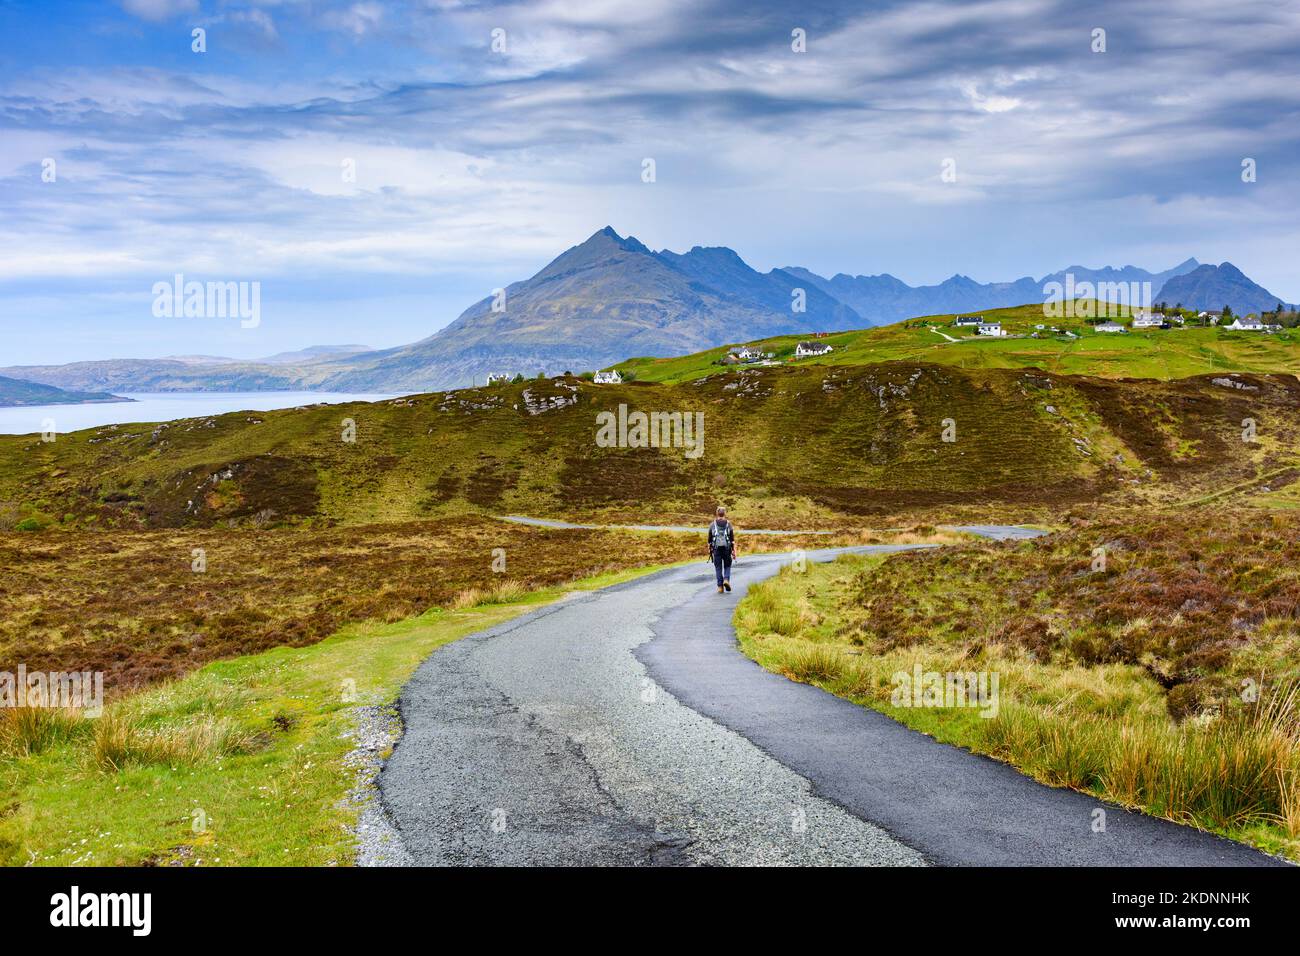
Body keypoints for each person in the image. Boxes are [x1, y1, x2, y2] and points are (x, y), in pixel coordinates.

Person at [707, 506, 738, 593]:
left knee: (718, 568)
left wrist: (709, 549)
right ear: (724, 513)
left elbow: (709, 539)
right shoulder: (728, 524)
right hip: (727, 548)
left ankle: (720, 587)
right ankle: (726, 580)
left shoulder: (712, 524)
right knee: (727, 565)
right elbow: (732, 539)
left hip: (716, 549)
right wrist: (734, 551)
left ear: (717, 513)